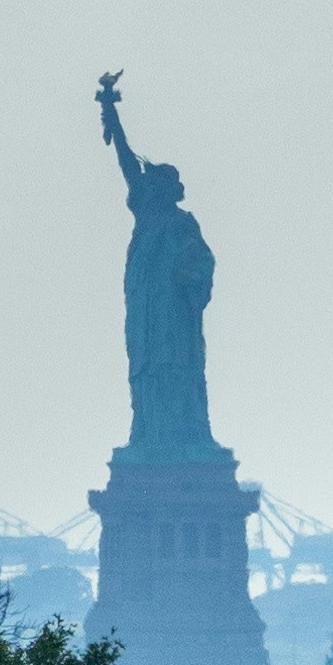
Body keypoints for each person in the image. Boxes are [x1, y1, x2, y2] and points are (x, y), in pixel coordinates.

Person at [97, 73, 222, 458]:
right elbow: (126, 162)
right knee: (147, 366)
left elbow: (202, 263)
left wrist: (189, 276)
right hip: (147, 305)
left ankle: (186, 435)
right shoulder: (148, 216)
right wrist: (110, 112)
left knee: (177, 366)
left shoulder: (183, 224)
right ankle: (148, 433)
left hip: (173, 310)